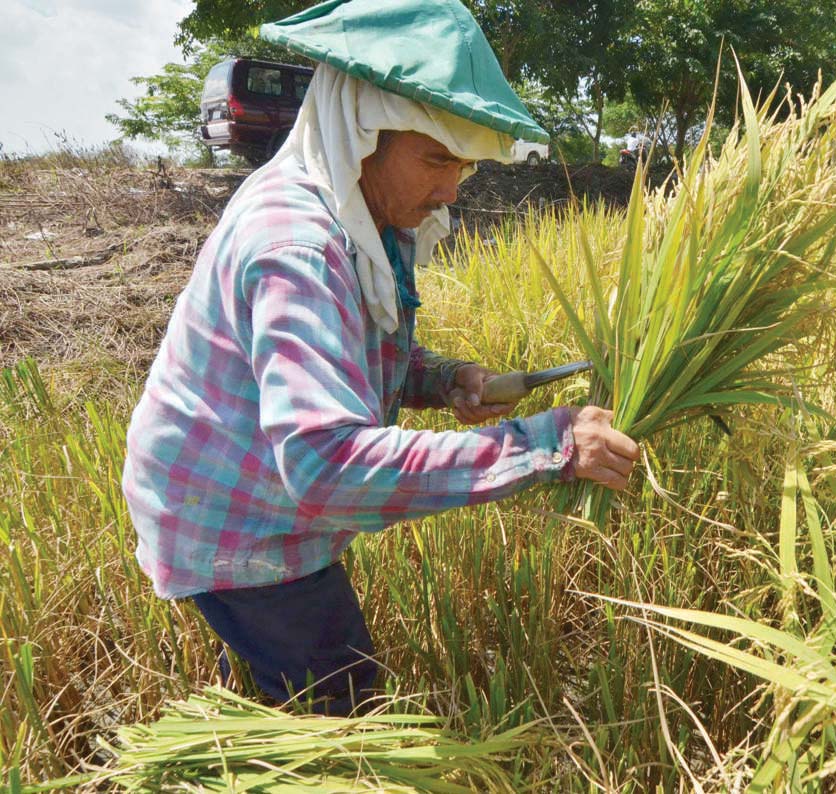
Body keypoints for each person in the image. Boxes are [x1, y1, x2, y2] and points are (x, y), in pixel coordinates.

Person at [121, 0, 639, 717]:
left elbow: (353, 351)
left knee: (284, 684)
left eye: (462, 163)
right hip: (234, 517)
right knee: (341, 704)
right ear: (362, 132)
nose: (451, 190)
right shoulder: (296, 245)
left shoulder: (365, 213)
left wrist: (446, 378)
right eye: (436, 158)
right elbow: (326, 466)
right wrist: (547, 446)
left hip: (257, 492)